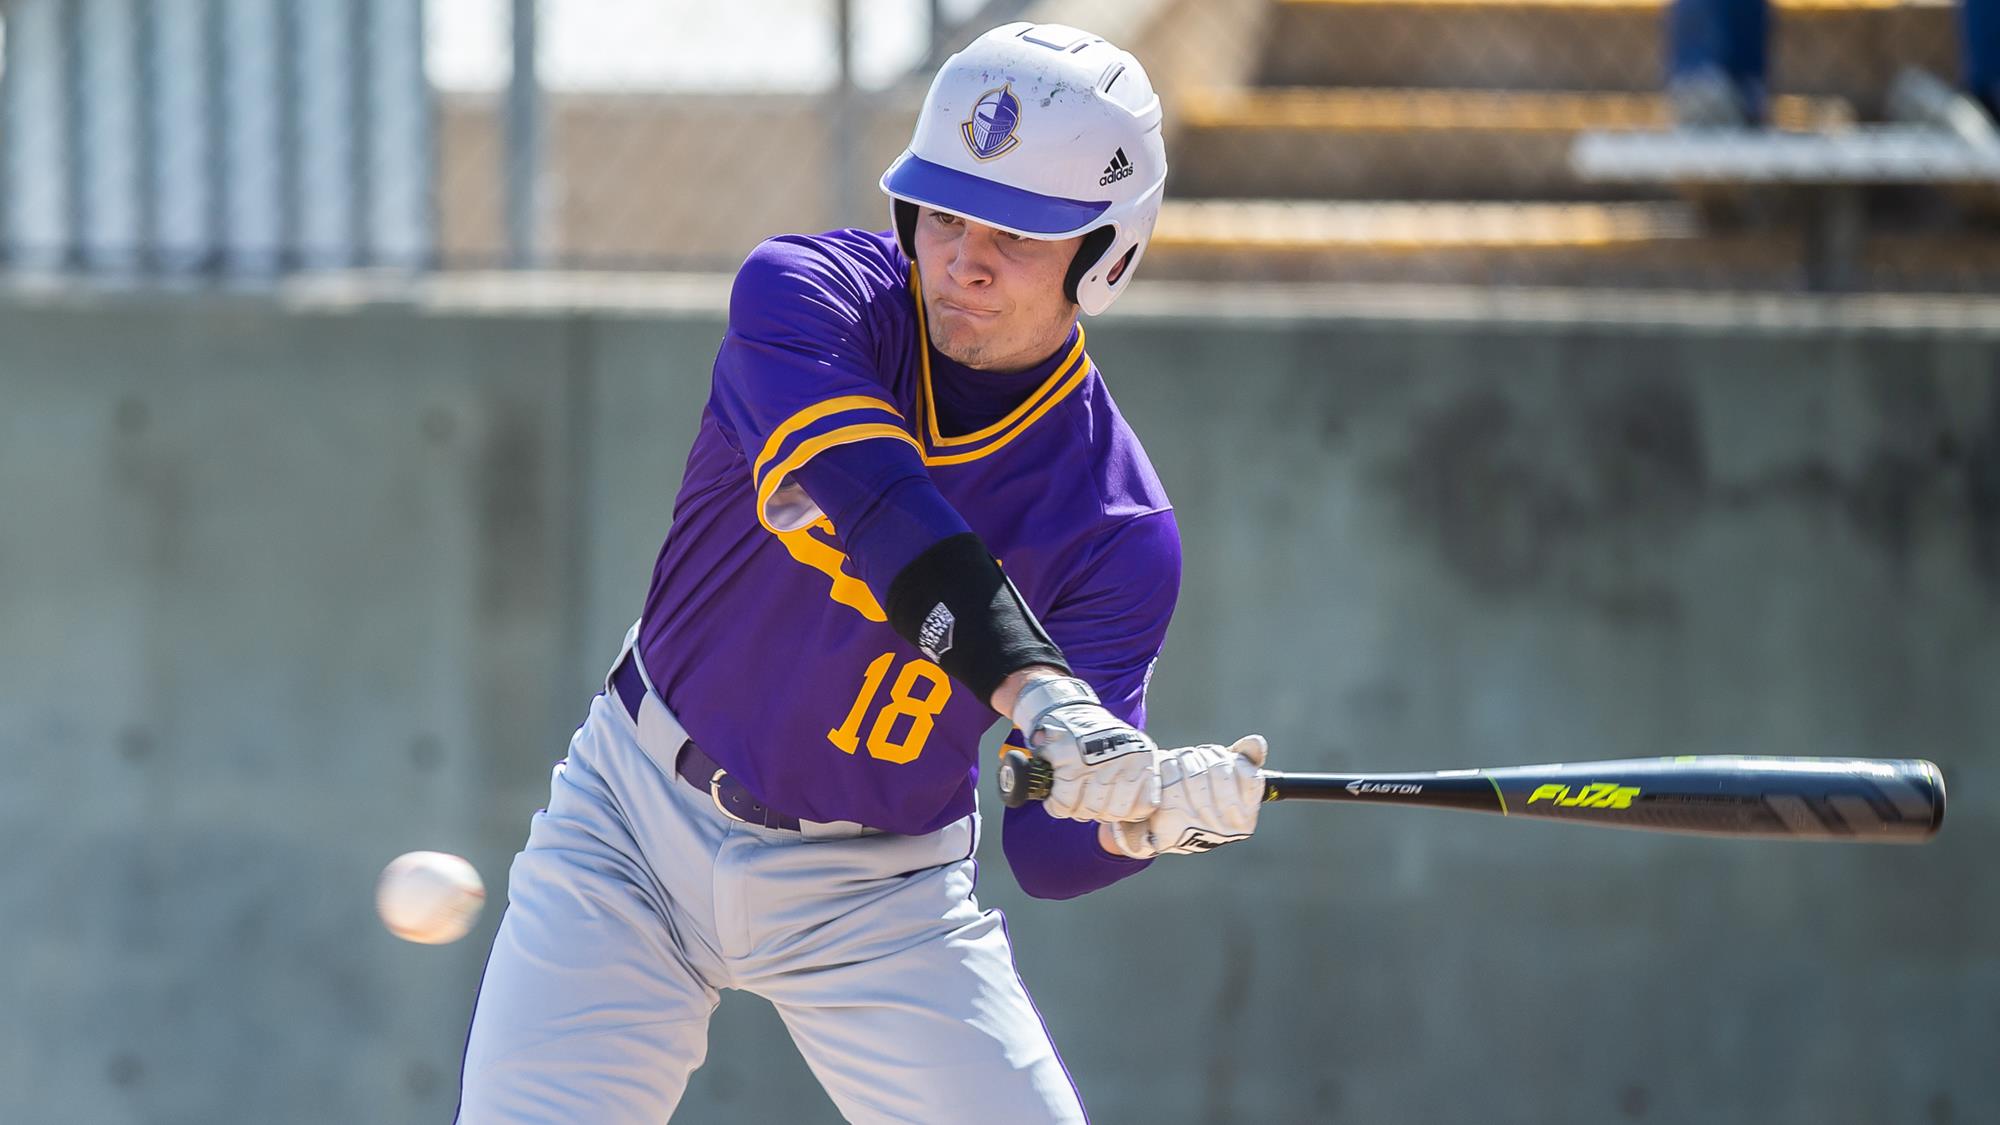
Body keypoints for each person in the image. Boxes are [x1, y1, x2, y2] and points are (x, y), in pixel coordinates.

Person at [454, 21, 1269, 1125]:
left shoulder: (1115, 525)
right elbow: (892, 521)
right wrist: (1045, 694)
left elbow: (1042, 843)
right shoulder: (809, 299)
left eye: (1020, 237)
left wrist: (1145, 816)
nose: (963, 261)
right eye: (943, 212)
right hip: (630, 824)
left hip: (878, 896)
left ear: (1105, 256)